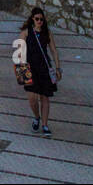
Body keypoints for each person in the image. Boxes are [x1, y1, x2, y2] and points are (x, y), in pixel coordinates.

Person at [19, 7, 61, 136]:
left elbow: (53, 50)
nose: (39, 21)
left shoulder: (47, 33)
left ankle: (45, 125)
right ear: (32, 19)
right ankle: (37, 117)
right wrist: (21, 69)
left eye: (41, 20)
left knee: (45, 97)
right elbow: (19, 52)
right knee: (32, 98)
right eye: (37, 19)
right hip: (29, 68)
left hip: (44, 68)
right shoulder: (26, 33)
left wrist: (58, 67)